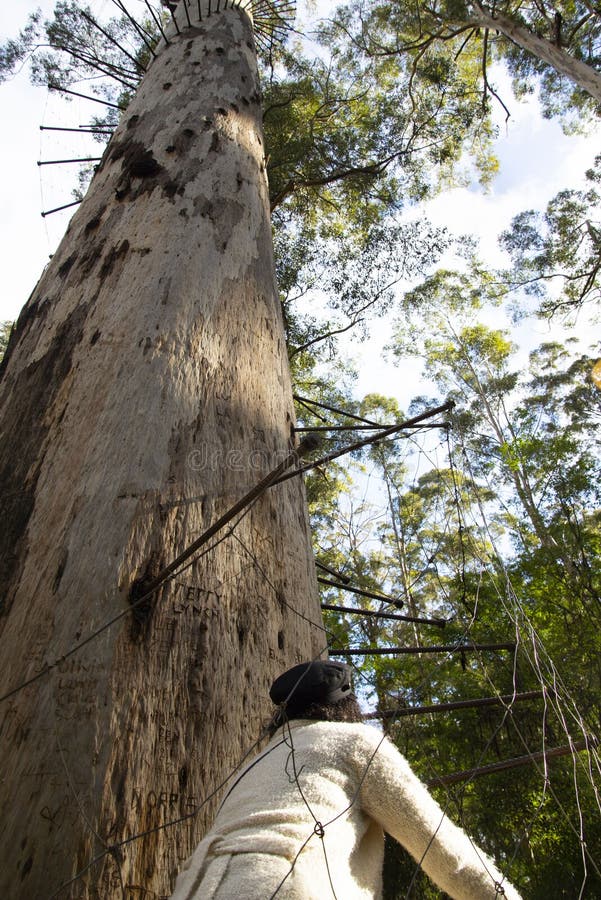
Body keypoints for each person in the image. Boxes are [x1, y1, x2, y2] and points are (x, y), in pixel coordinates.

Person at [171, 660, 522, 899]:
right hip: (287, 885)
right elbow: (444, 851)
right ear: (347, 707)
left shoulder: (252, 766)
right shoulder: (355, 742)